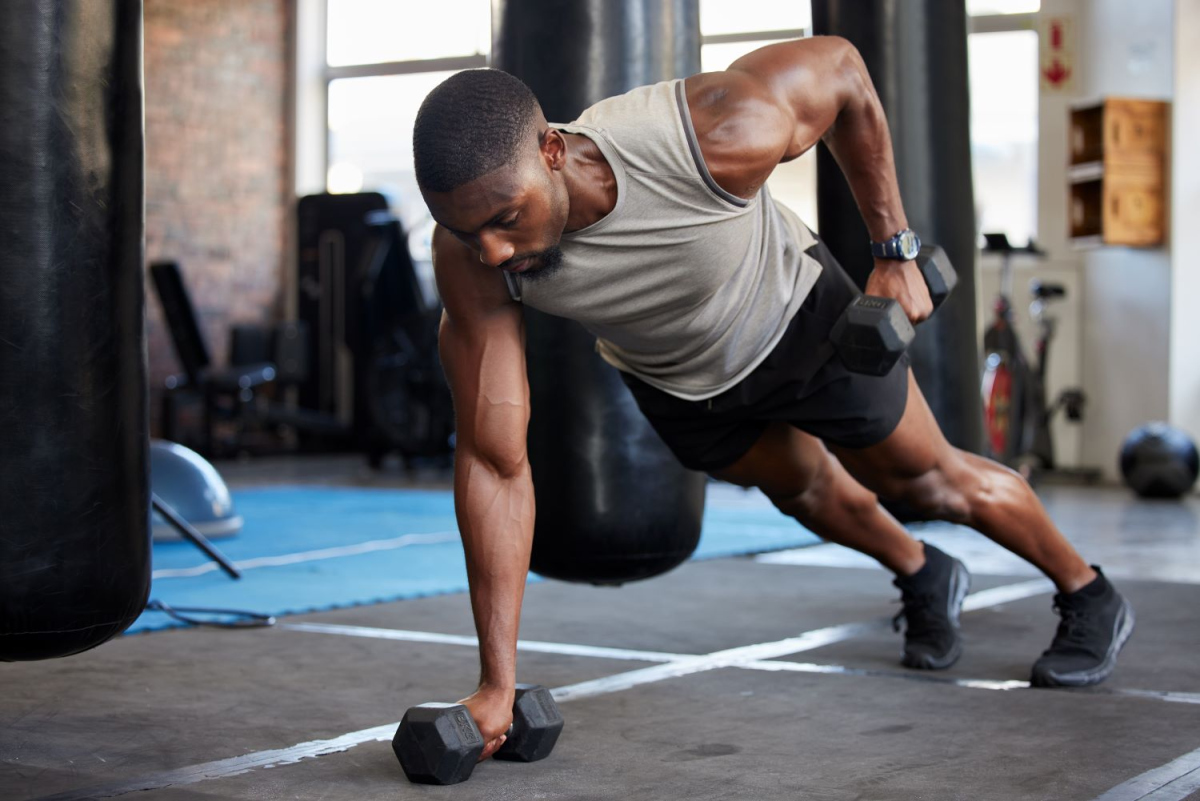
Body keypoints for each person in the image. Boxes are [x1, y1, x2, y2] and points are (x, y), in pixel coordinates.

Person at [411, 37, 1134, 760]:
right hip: (679, 381)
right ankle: (923, 569)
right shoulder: (471, 261)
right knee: (804, 492)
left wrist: (894, 249)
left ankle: (1088, 591)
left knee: (925, 481)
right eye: (464, 230)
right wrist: (497, 683)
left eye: (505, 218)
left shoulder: (706, 137)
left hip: (798, 319)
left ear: (552, 151)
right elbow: (495, 461)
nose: (493, 251)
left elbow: (843, 70)